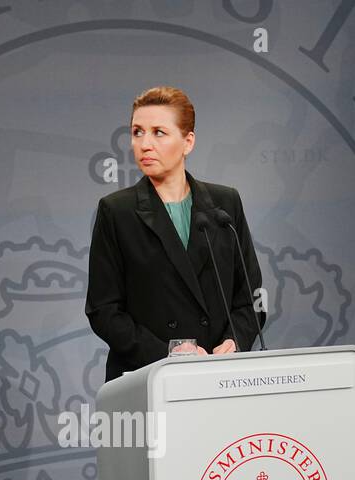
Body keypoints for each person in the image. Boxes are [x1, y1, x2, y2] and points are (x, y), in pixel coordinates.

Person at [85, 86, 263, 381]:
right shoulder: (116, 211)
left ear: (187, 142)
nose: (144, 144)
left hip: (218, 376)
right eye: (137, 132)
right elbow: (103, 311)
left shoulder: (224, 205)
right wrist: (167, 356)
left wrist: (235, 341)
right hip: (146, 378)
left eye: (158, 132)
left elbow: (251, 297)